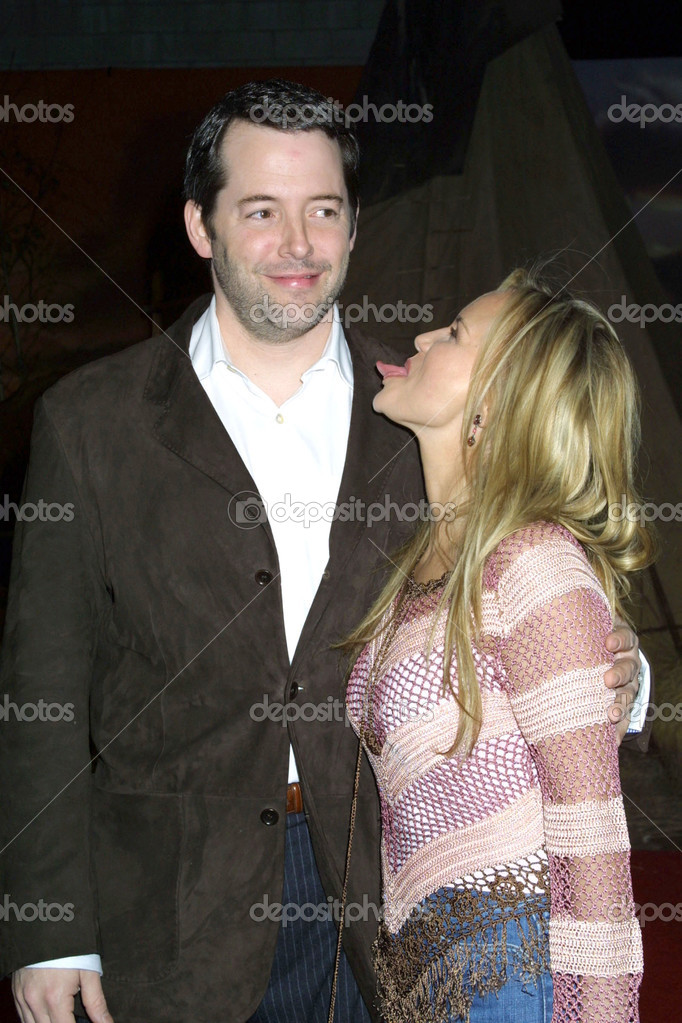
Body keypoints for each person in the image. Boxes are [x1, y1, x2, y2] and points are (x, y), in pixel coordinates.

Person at [0, 82, 643, 1023]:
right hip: (170, 912)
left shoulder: (425, 408)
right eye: (261, 211)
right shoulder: (91, 424)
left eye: (324, 211)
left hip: (384, 903)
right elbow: (40, 695)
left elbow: (538, 565)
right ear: (200, 225)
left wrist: (626, 677)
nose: (298, 244)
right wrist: (50, 928)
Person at [345, 269, 653, 1022]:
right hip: (429, 982)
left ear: (492, 404)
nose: (419, 336)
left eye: (452, 334)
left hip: (518, 974)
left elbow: (594, 838)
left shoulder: (534, 561)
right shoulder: (427, 556)